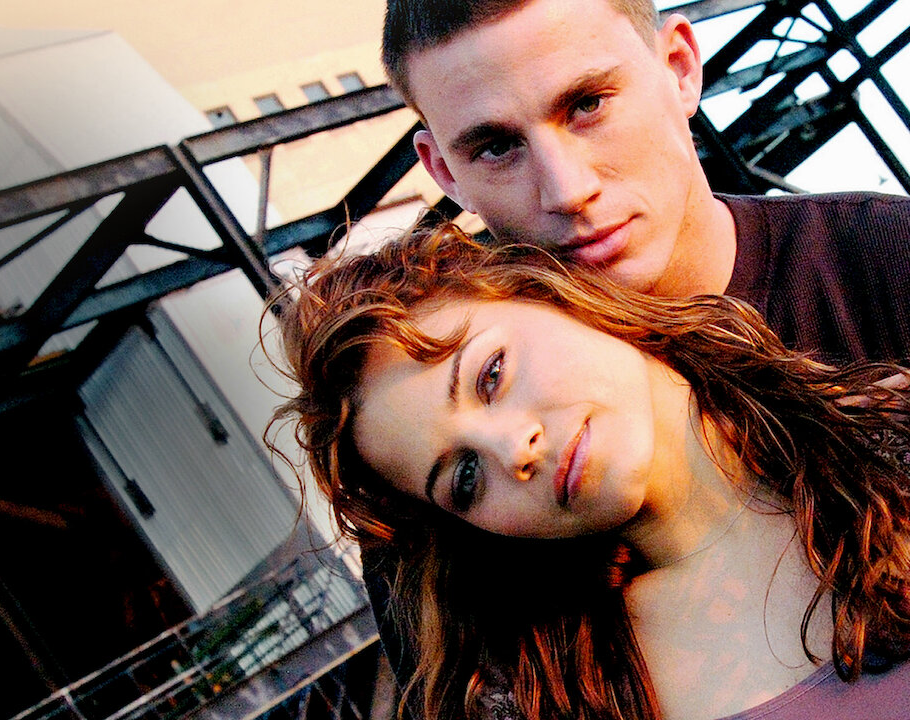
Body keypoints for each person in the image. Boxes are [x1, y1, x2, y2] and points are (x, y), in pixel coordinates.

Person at [365, 0, 910, 698]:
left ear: (679, 67)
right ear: (444, 173)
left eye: (587, 105)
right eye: (497, 147)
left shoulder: (888, 260)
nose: (568, 190)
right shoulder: (441, 525)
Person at [267, 221, 910, 720]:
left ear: (553, 295)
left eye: (491, 375)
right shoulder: (555, 702)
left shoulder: (892, 440)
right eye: (464, 478)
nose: (512, 449)